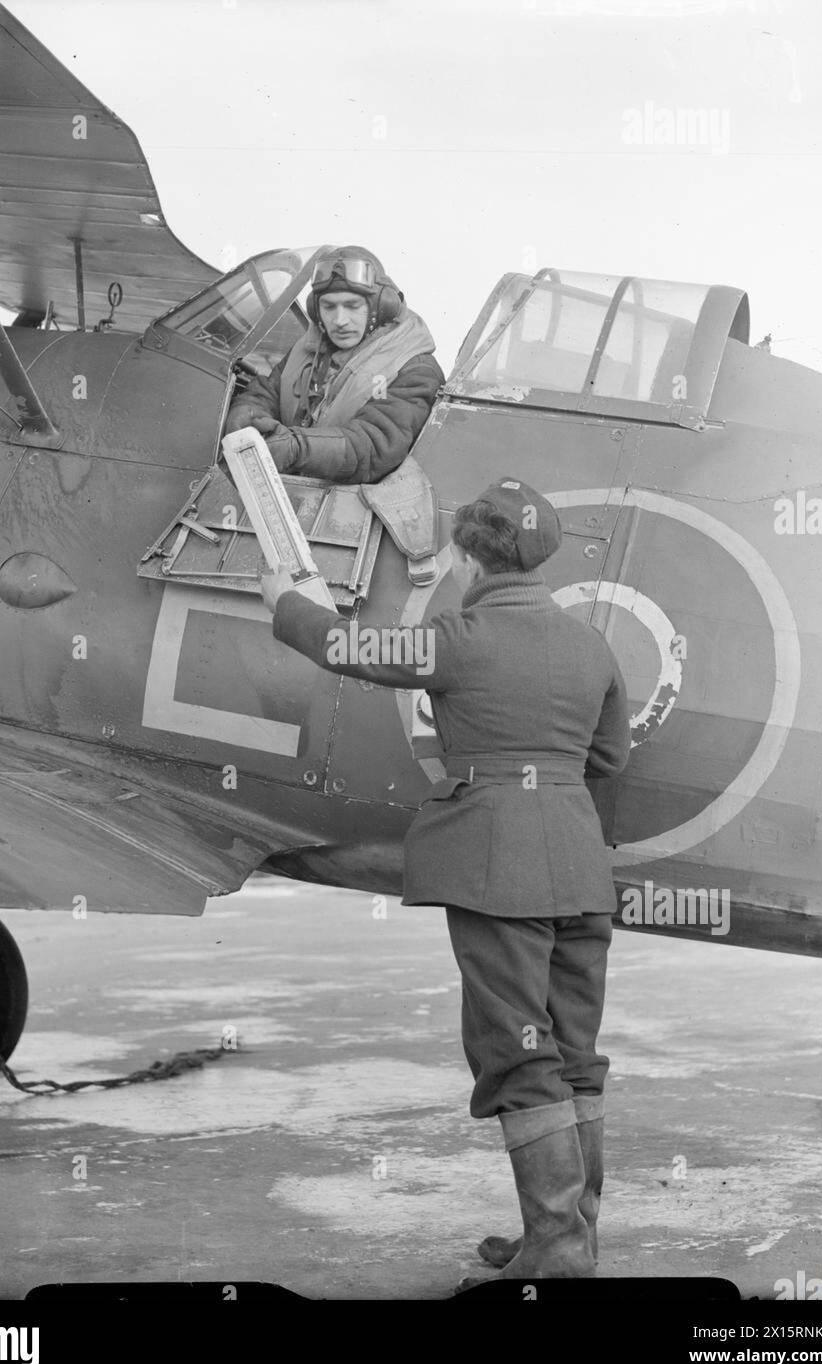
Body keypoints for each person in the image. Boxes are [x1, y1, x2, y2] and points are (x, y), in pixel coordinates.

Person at [260, 478, 631, 1286]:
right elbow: (608, 765)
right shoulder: (594, 647)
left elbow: (349, 649)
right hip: (581, 868)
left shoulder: (461, 639)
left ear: (467, 554)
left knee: (518, 1051)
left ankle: (559, 1251)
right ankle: (570, 1236)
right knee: (573, 1051)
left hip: (499, 869)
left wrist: (287, 601)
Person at [224, 246, 444, 484]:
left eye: (352, 306)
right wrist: (247, 416)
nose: (339, 321)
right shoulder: (306, 348)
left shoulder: (415, 367)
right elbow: (265, 392)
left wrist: (296, 448)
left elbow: (373, 446)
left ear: (380, 307)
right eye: (329, 307)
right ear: (316, 310)